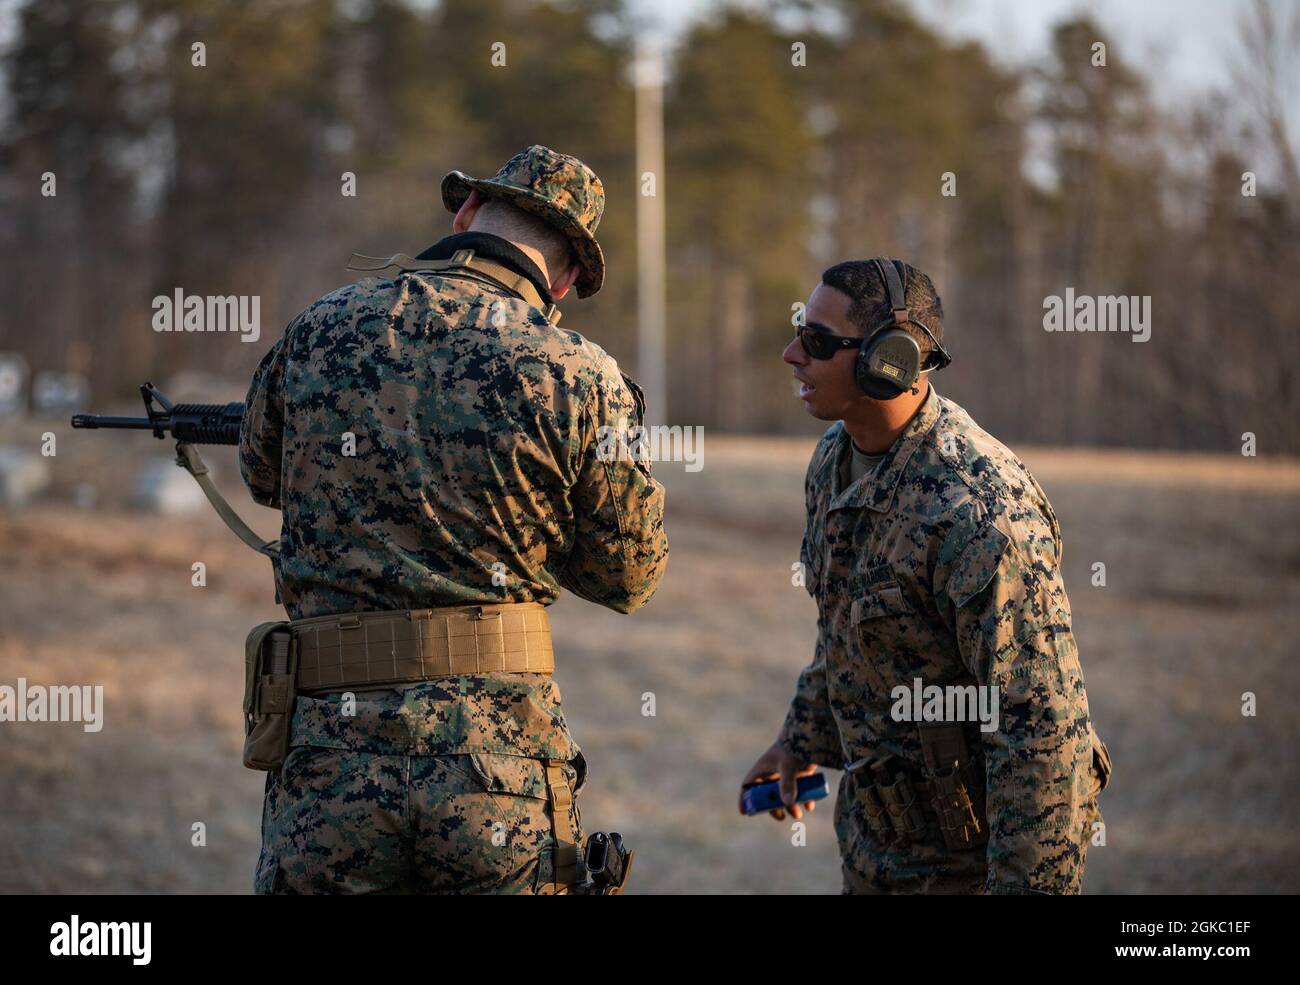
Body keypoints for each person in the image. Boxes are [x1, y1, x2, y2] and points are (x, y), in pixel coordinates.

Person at [239, 144, 668, 894]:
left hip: (329, 763)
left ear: (467, 212)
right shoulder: (579, 372)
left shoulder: (319, 329)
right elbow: (627, 576)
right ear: (566, 277)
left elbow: (263, 475)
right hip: (497, 769)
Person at [740, 258, 1112, 894]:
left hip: (970, 871)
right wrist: (801, 738)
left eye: (819, 342)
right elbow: (848, 628)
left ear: (890, 362)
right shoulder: (835, 458)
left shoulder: (978, 513)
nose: (791, 355)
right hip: (874, 854)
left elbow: (1045, 741)